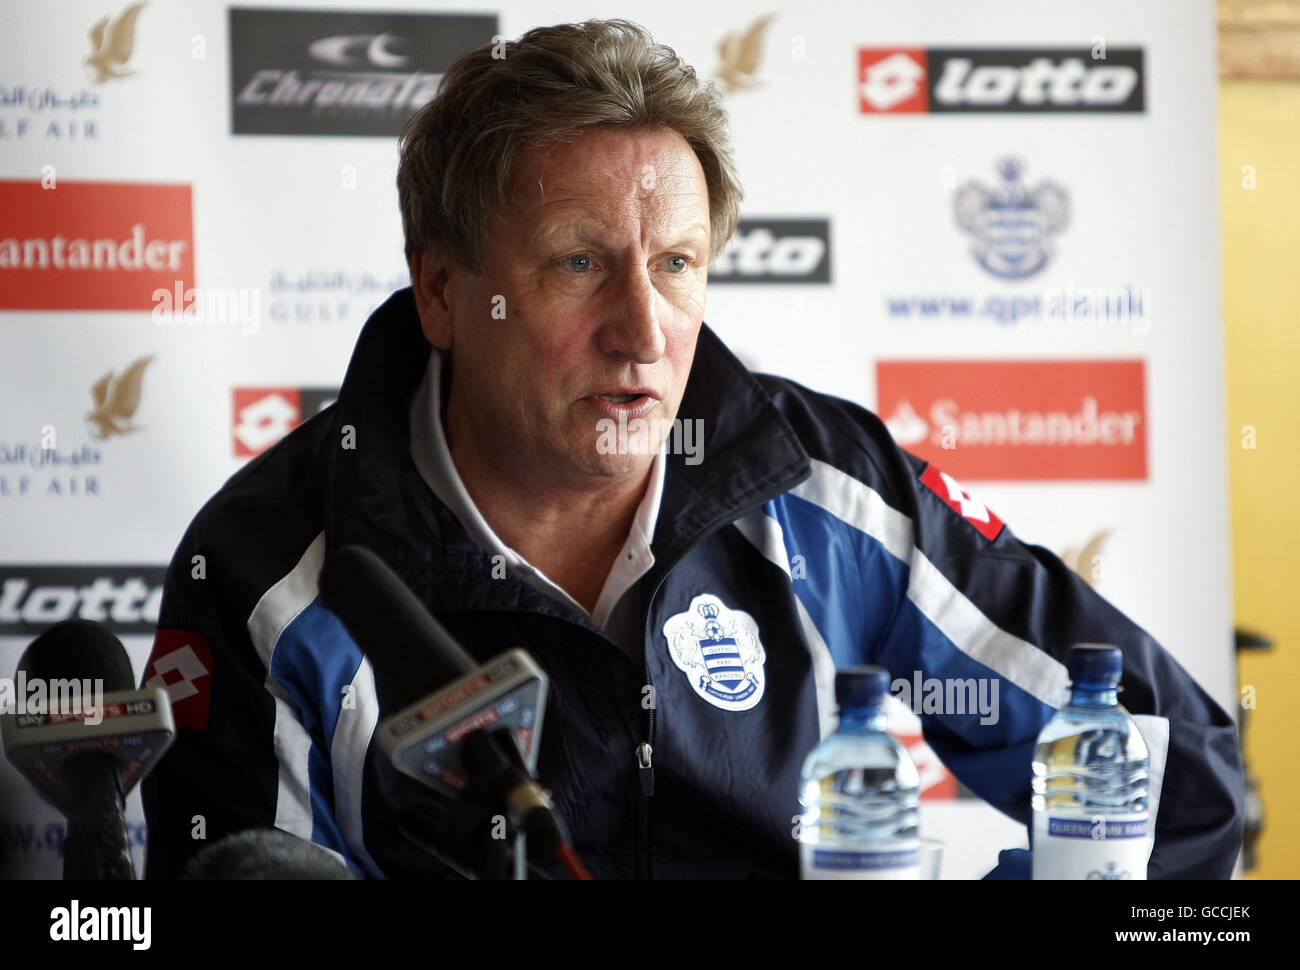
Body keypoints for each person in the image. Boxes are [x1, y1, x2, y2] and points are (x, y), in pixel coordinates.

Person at [140, 19, 1243, 879]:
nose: (644, 328)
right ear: (442, 290)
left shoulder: (820, 487)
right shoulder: (269, 573)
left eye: (674, 263)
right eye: (577, 264)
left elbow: (1171, 770)